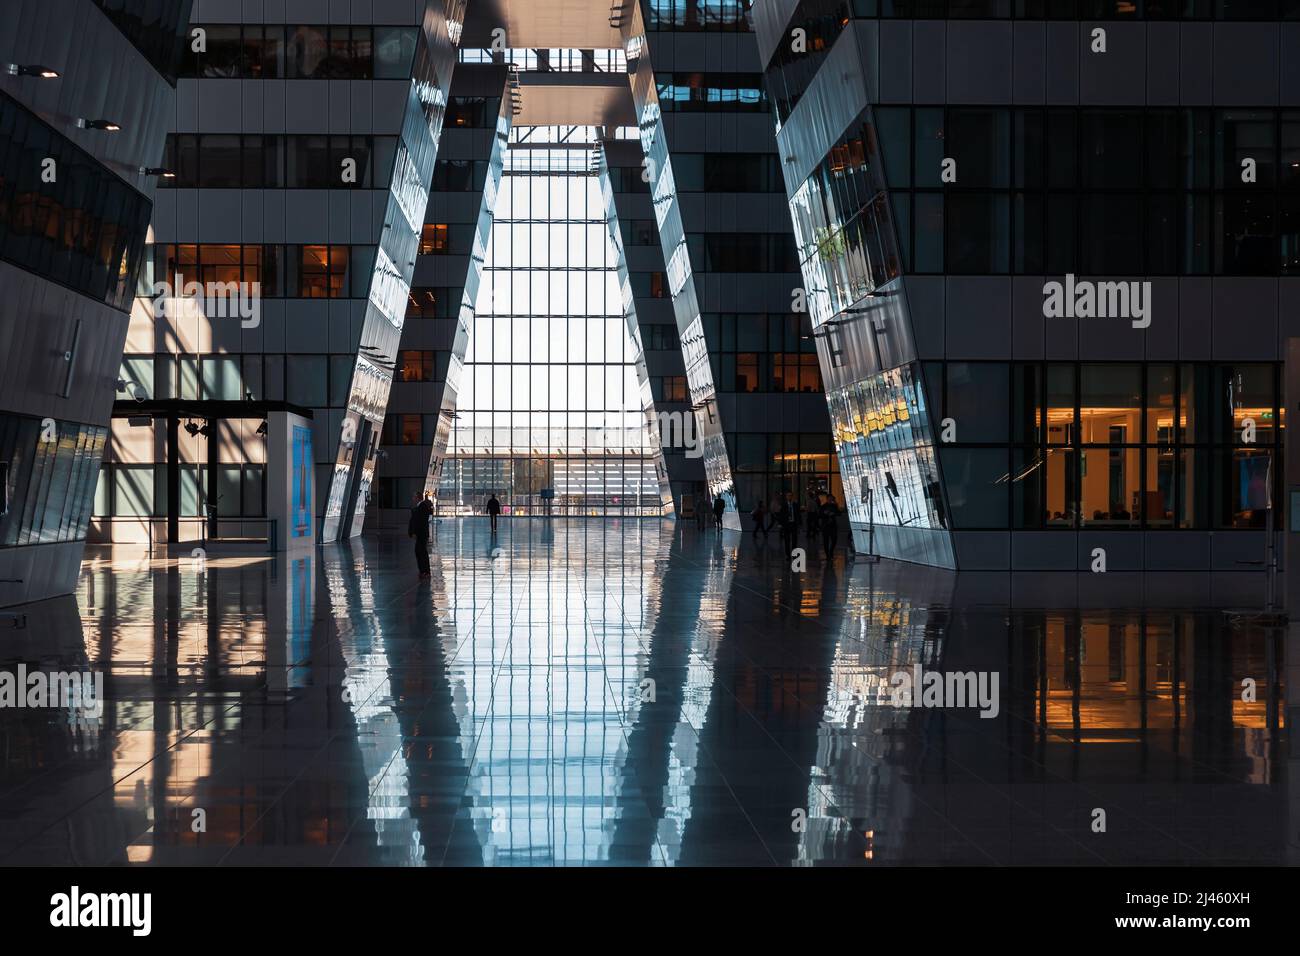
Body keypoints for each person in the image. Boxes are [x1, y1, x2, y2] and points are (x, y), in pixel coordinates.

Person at [408, 491, 434, 578]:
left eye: (414, 497)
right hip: (421, 534)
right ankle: (423, 571)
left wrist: (415, 532)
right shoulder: (419, 506)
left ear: (418, 498)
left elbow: (419, 522)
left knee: (421, 552)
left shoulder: (422, 507)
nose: (413, 499)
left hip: (421, 534)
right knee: (420, 552)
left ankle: (425, 571)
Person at [820, 492, 841, 560]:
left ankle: (831, 551)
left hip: (833, 526)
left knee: (834, 539)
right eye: (829, 499)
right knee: (826, 541)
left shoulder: (834, 506)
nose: (830, 500)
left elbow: (839, 513)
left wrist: (833, 513)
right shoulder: (823, 506)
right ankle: (828, 555)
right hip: (825, 526)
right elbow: (820, 515)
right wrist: (825, 513)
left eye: (831, 499)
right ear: (827, 499)